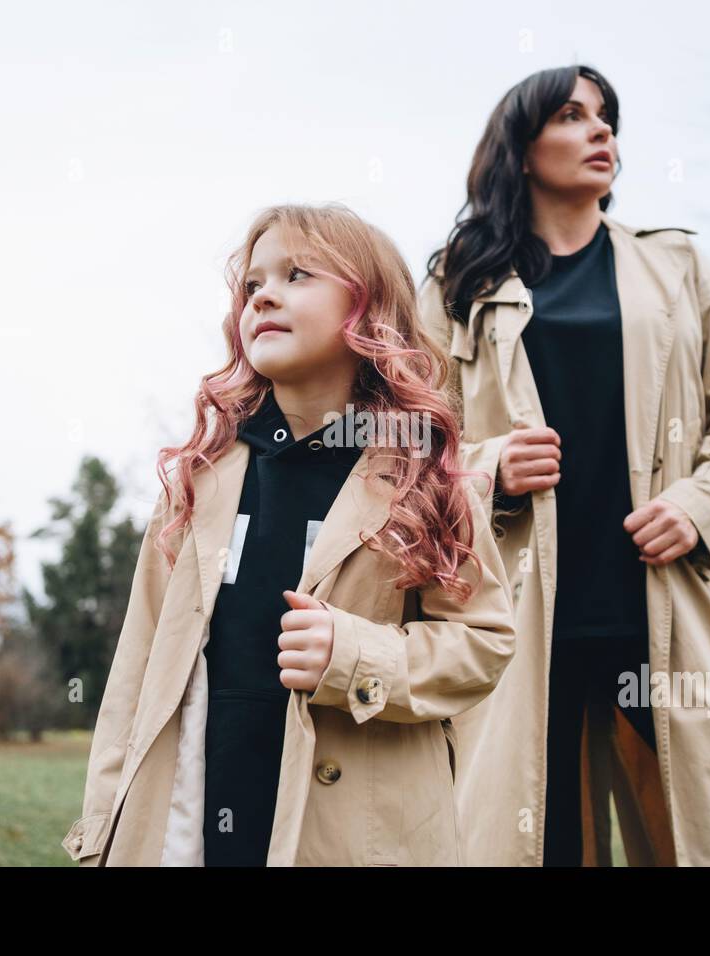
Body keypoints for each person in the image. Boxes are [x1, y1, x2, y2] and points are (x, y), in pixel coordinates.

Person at [420, 65, 710, 866]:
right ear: (521, 144)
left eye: (607, 116)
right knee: (521, 841)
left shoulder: (677, 266)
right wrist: (489, 466)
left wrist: (701, 501)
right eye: (574, 115)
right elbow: (408, 442)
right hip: (511, 614)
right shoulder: (456, 282)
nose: (602, 130)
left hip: (663, 602)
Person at [63, 202, 516, 866]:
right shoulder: (197, 482)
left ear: (371, 310)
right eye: (252, 285)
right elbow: (135, 676)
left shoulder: (426, 480)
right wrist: (102, 830)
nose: (264, 295)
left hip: (359, 840)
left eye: (298, 274)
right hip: (202, 826)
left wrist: (355, 655)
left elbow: (484, 641)